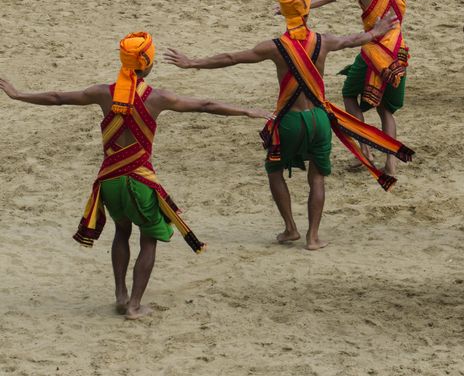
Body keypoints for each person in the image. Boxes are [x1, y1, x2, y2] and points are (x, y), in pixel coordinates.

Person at [0, 32, 266, 319]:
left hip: (109, 182)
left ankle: (120, 295)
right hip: (139, 181)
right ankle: (135, 305)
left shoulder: (103, 93)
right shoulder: (159, 98)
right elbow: (206, 106)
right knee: (148, 239)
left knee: (121, 232)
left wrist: (17, 94)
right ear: (148, 63)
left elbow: (57, 97)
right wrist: (246, 110)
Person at [165, 0, 413, 251]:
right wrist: (377, 30)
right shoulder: (324, 41)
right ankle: (313, 237)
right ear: (307, 11)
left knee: (274, 171)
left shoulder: (274, 48)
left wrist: (192, 63)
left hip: (289, 122)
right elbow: (355, 39)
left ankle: (290, 228)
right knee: (317, 179)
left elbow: (231, 58)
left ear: (283, 14)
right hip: (319, 119)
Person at [309, 0, 446, 177]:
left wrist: (303, 5)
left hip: (373, 51)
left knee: (350, 95)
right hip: (397, 51)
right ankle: (391, 165)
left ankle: (365, 151)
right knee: (386, 111)